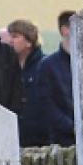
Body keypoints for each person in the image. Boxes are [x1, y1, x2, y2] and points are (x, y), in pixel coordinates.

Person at [7, 19, 48, 146]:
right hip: (14, 138)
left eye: (15, 36)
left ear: (28, 42)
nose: (10, 41)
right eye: (10, 36)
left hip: (41, 140)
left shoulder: (45, 66)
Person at [39, 11, 76, 146]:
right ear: (65, 30)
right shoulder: (48, 65)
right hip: (63, 140)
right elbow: (47, 103)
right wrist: (71, 127)